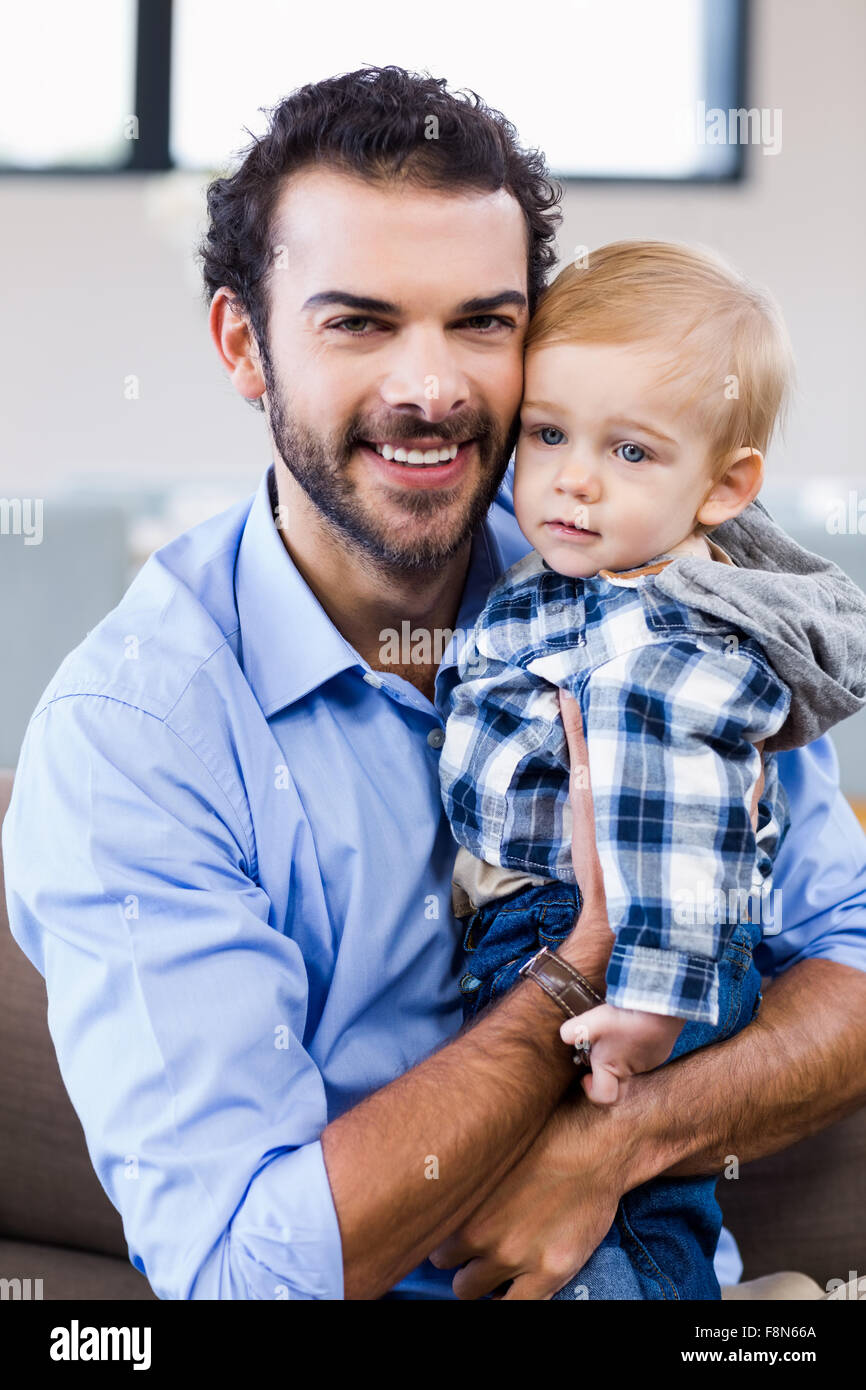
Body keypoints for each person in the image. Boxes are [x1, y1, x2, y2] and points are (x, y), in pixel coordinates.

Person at [3, 67, 866, 1301]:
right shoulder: (135, 736)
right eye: (358, 322)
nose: (431, 387)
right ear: (243, 344)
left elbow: (851, 950)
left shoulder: (639, 583)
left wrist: (612, 1144)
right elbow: (247, 1272)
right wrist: (576, 967)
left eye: (481, 322)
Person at [437, 240, 866, 1299]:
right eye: (546, 434)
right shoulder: (591, 576)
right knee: (617, 1218)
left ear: (724, 486)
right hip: (566, 937)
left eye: (629, 453)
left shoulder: (657, 640)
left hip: (607, 948)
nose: (573, 479)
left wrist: (651, 999)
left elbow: (671, 822)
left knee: (602, 1238)